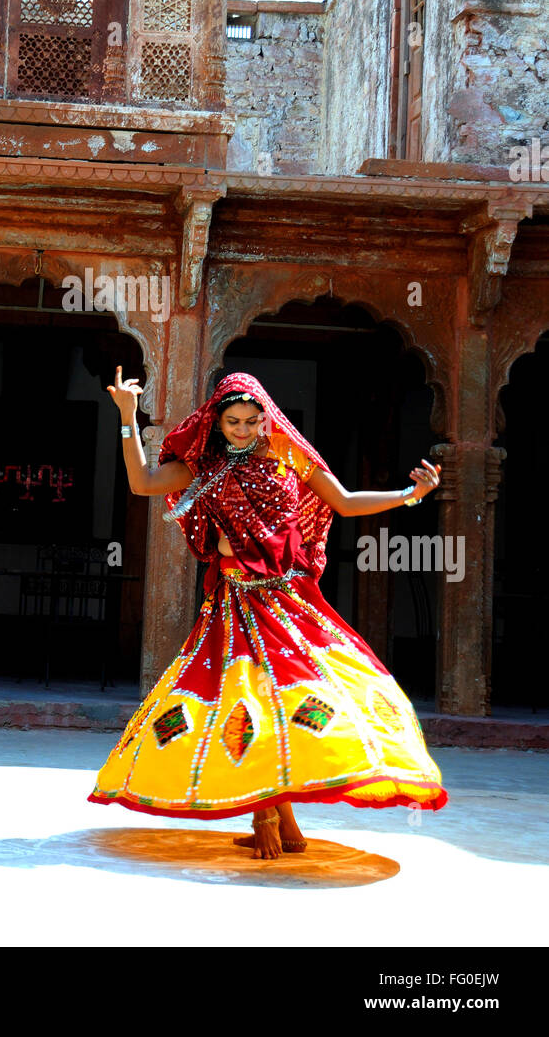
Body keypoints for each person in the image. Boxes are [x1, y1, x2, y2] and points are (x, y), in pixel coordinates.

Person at [87, 366, 448, 860]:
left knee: (292, 697)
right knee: (247, 700)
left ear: (265, 418)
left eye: (250, 422)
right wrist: (128, 418)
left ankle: (268, 818)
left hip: (286, 599)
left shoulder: (287, 454)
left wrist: (411, 497)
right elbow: (143, 482)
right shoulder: (205, 466)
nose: (241, 430)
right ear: (217, 422)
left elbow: (342, 502)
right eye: (232, 422)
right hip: (234, 600)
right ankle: (282, 822)